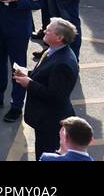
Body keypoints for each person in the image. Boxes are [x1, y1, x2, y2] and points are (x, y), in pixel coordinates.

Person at [18, 18, 81, 158]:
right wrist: (27, 74)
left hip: (50, 123)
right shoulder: (53, 51)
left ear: (59, 37)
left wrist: (29, 83)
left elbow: (56, 96)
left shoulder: (62, 64)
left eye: (48, 30)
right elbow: (45, 76)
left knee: (46, 155)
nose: (44, 31)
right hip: (44, 120)